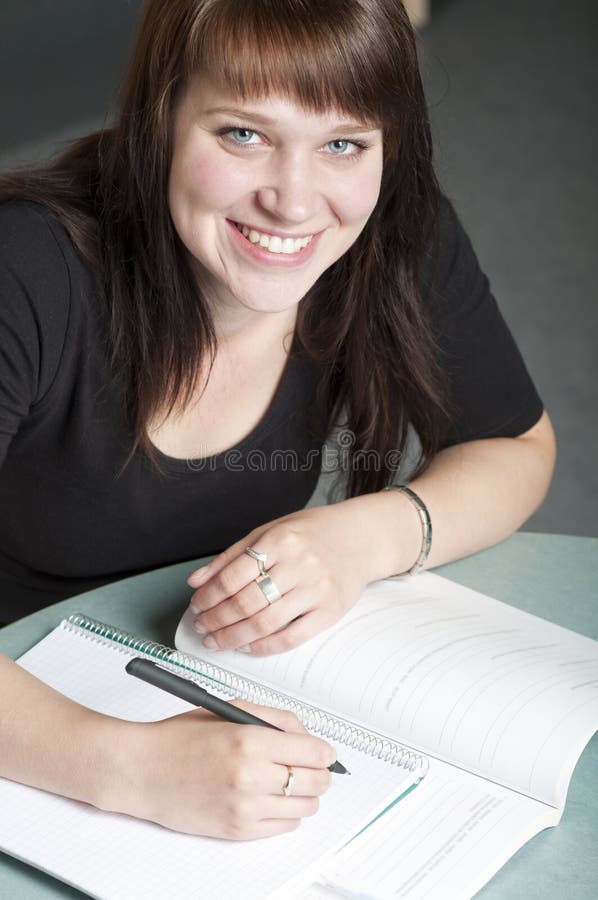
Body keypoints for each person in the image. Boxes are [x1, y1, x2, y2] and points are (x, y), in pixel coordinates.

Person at [0, 0, 555, 838]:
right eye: (243, 135)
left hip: (194, 678)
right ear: (161, 120)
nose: (295, 203)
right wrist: (120, 764)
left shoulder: (387, 235)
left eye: (343, 144)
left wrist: (360, 538)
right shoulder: (25, 270)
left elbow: (515, 447)